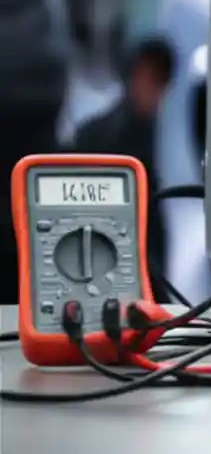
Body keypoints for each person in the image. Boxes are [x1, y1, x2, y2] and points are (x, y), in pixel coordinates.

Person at [72, 37, 174, 298]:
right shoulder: (100, 136)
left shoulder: (155, 132)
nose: (151, 90)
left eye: (158, 81)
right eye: (146, 77)